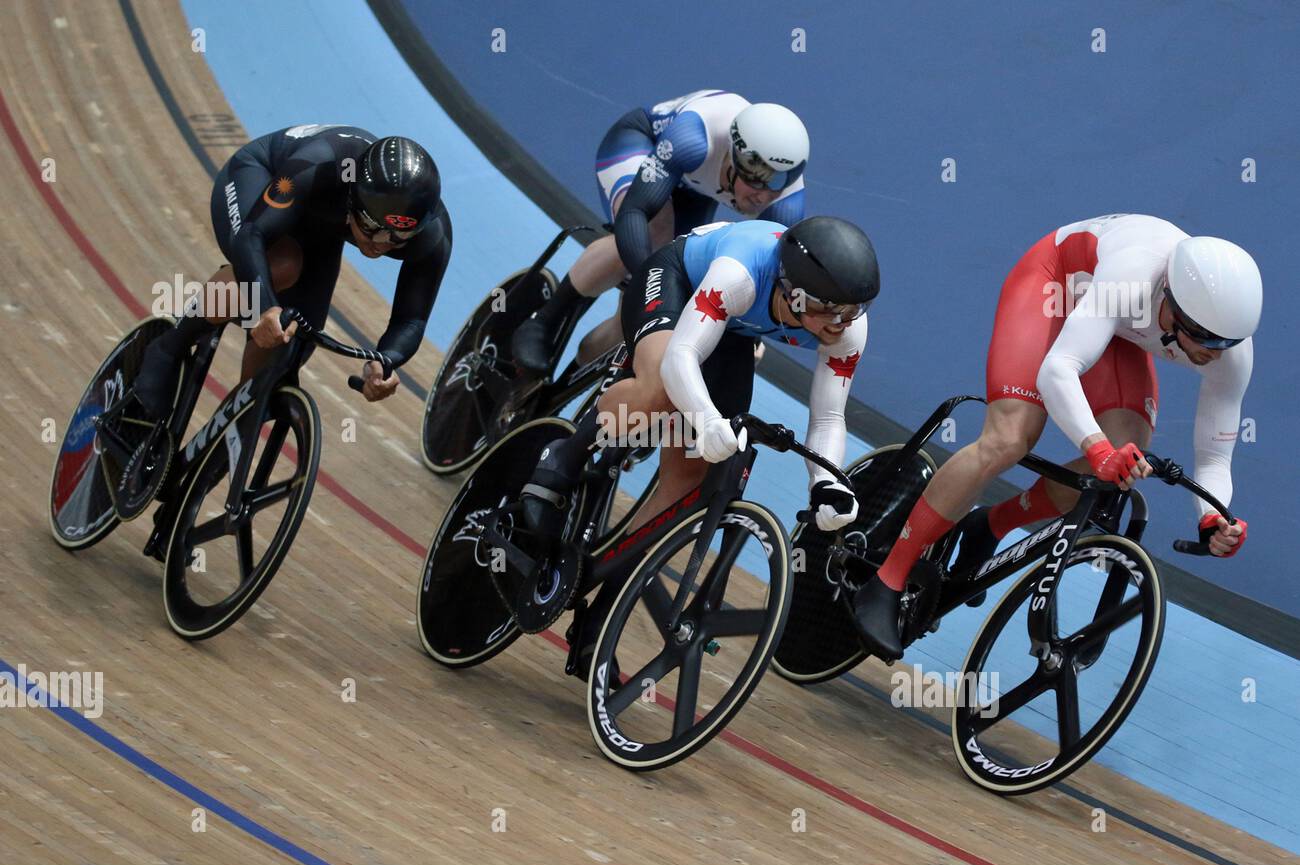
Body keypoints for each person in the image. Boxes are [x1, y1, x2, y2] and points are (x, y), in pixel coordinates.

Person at [853, 214, 1259, 661]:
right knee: (1010, 437)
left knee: (1123, 463)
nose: (1212, 354)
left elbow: (1215, 460)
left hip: (1118, 324)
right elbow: (1057, 370)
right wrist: (1096, 448)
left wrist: (1213, 517)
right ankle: (887, 579)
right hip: (1056, 284)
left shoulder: (1229, 353)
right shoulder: (1132, 274)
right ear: (1174, 305)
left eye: (1225, 344)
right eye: (1204, 340)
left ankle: (991, 524)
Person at [519, 216, 879, 543]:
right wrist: (706, 420)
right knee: (659, 391)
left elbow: (829, 417)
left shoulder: (848, 329)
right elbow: (681, 356)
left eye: (855, 310)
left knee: (698, 473)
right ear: (796, 297)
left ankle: (615, 578)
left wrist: (825, 482)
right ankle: (563, 456)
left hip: (733, 328)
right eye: (834, 310)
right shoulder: (739, 273)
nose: (845, 322)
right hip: (678, 281)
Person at [132, 124, 451, 418]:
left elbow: (412, 319)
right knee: (280, 267)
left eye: (398, 238)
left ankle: (229, 433)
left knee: (287, 353)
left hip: (324, 229)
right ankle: (168, 349)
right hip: (262, 180)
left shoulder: (433, 235)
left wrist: (386, 361)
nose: (382, 244)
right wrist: (263, 308)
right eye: (371, 229)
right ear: (352, 199)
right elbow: (250, 236)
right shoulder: (323, 163)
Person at [509, 92, 810, 374]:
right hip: (643, 145)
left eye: (778, 182)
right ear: (732, 157)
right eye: (757, 180)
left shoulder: (784, 207)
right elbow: (635, 212)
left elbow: (763, 282)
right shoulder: (694, 138)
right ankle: (545, 321)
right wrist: (650, 283)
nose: (764, 195)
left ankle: (570, 382)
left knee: (653, 305)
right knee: (653, 235)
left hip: (696, 191)